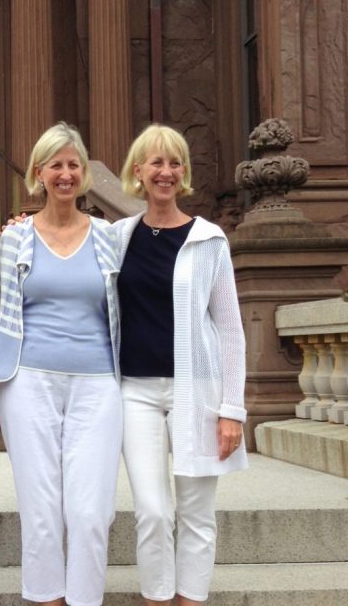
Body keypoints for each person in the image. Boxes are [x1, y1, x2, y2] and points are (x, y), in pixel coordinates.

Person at [0, 122, 123, 606]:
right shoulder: (16, 240)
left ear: (83, 173)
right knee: (41, 511)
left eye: (73, 165)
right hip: (30, 383)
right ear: (39, 173)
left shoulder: (110, 237)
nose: (64, 174)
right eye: (55, 165)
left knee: (90, 512)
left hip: (99, 383)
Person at [114, 123, 248, 606]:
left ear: (183, 174)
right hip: (137, 392)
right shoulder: (117, 238)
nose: (166, 172)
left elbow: (230, 328)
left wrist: (233, 408)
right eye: (156, 162)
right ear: (138, 171)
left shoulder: (209, 239)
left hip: (198, 391)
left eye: (175, 163)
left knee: (196, 513)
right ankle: (156, 597)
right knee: (152, 510)